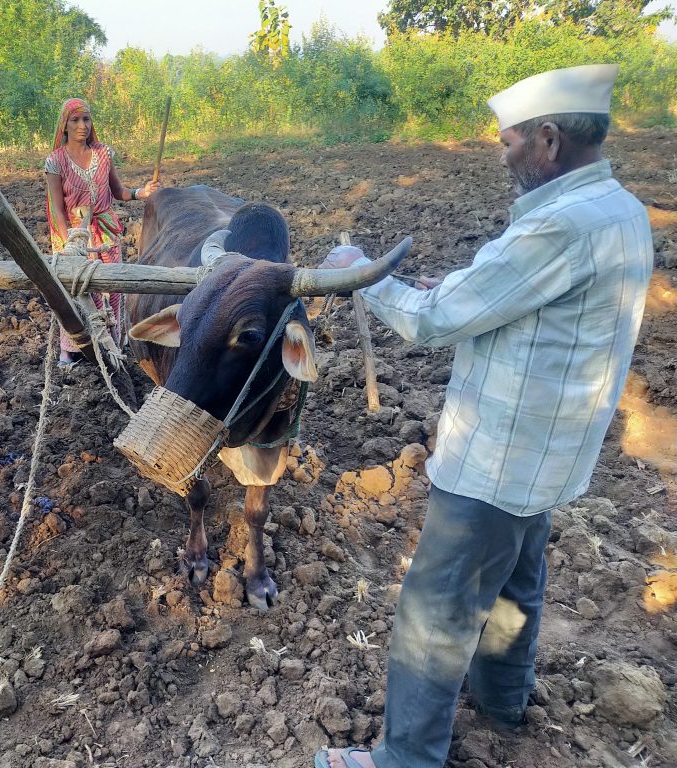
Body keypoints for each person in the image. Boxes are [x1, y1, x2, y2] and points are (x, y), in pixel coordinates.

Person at [314, 64, 653, 768]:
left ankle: (405, 757)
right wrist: (464, 288)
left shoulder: (557, 226)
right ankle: (502, 697)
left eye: (509, 143)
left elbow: (434, 320)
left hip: (497, 457)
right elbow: (523, 298)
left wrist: (362, 271)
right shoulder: (619, 209)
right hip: (552, 455)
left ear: (549, 141)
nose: (502, 156)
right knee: (517, 581)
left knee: (436, 606)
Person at [44, 98, 159, 367]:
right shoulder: (55, 161)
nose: (82, 126)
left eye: (86, 119)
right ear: (64, 125)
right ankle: (71, 350)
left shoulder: (104, 153)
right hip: (73, 234)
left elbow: (117, 191)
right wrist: (68, 242)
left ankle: (113, 345)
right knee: (77, 290)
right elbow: (58, 209)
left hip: (106, 231)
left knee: (113, 288)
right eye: (75, 120)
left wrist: (140, 193)